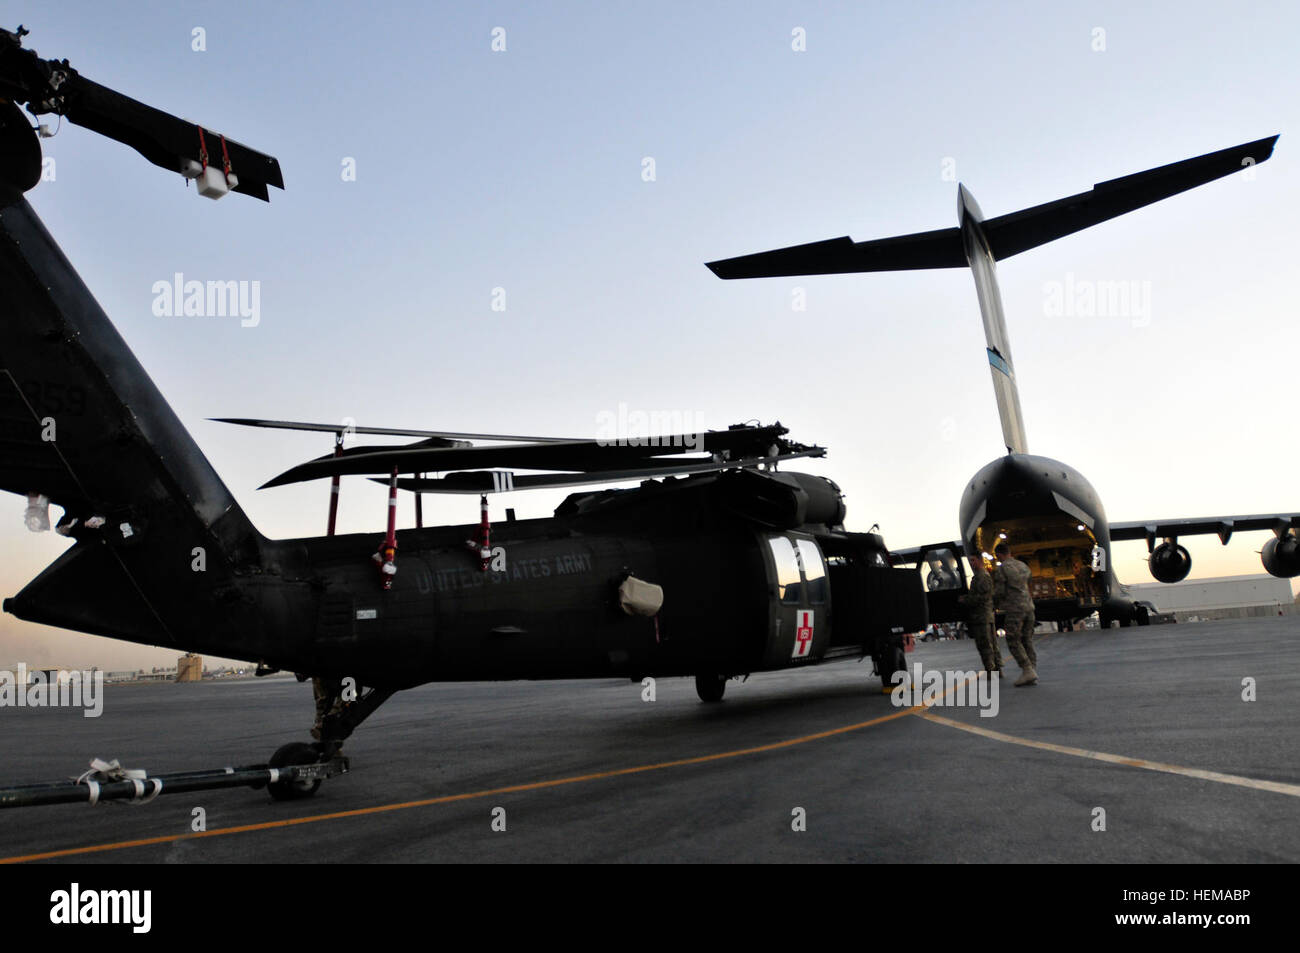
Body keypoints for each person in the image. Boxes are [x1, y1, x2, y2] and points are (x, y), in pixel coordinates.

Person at [993, 542, 1038, 686]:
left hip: (1015, 609)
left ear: (999, 555)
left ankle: (1027, 670)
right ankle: (1032, 670)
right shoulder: (1023, 566)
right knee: (1027, 639)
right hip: (1029, 607)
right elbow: (1029, 581)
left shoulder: (1002, 569)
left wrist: (994, 604)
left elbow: (999, 592)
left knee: (1013, 639)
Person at [959, 559, 1001, 676]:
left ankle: (991, 670)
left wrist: (965, 599)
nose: (971, 563)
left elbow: (982, 597)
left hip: (981, 616)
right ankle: (997, 669)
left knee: (984, 644)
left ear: (979, 561)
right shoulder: (980, 576)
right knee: (991, 643)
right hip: (985, 616)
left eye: (973, 560)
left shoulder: (981, 577)